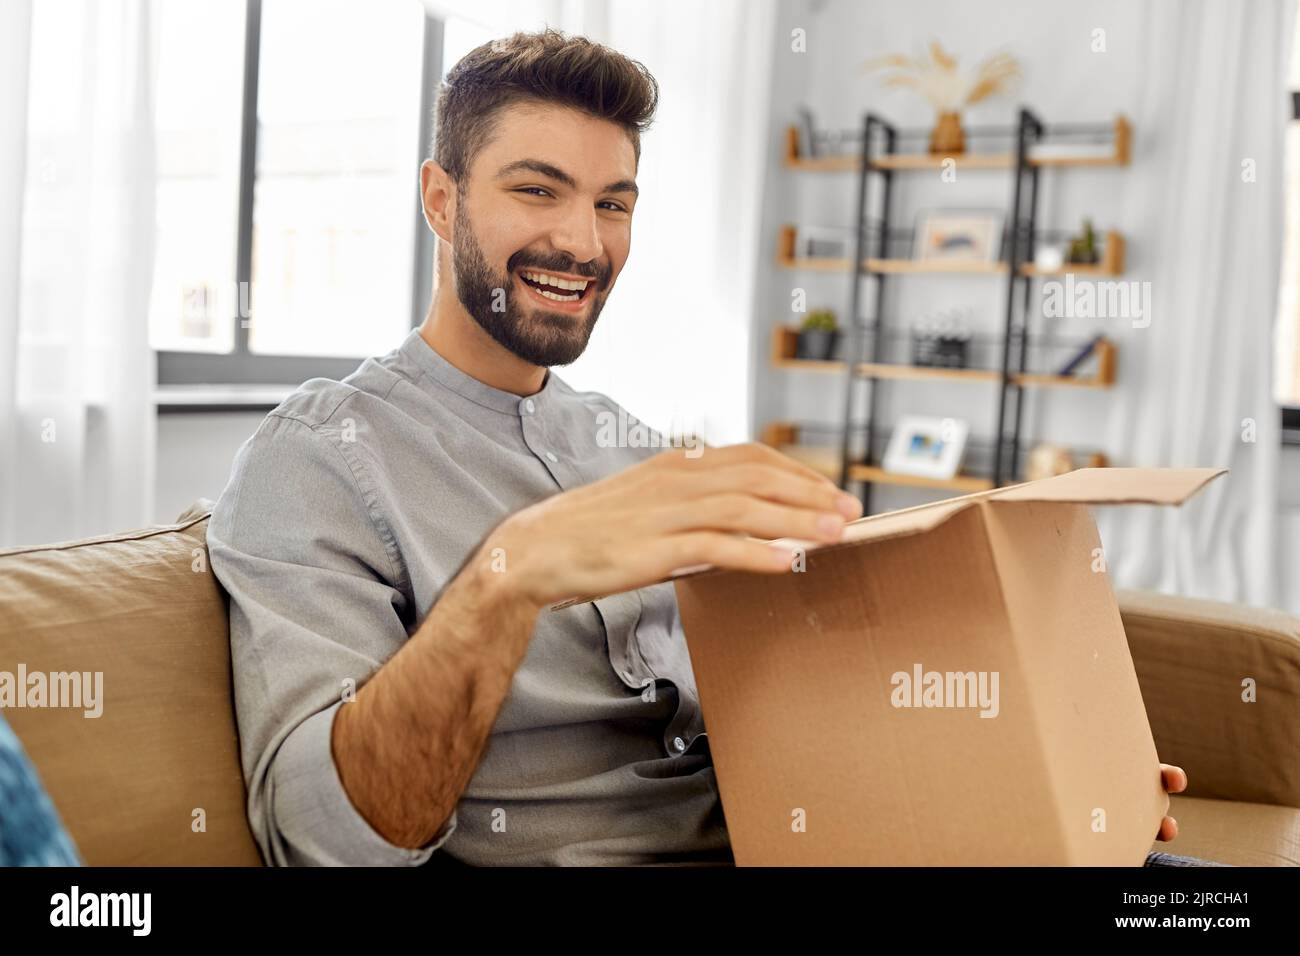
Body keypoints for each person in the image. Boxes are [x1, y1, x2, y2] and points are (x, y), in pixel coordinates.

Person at [208, 28, 1206, 867]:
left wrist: (1026, 772)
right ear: (439, 199)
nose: (583, 242)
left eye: (612, 202)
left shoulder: (632, 447)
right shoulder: (319, 458)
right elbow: (323, 836)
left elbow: (781, 714)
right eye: (537, 190)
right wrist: (508, 578)